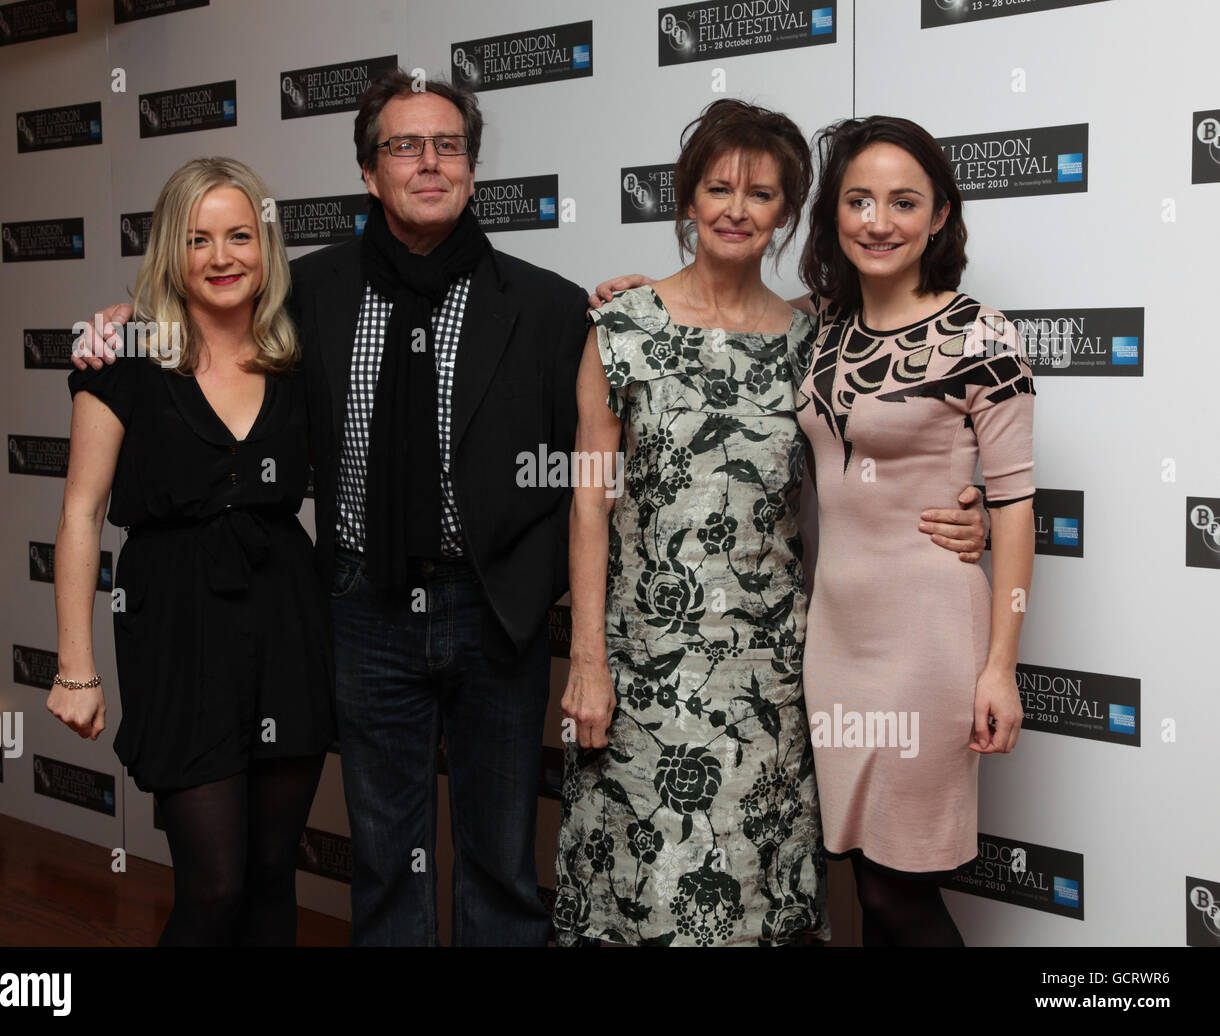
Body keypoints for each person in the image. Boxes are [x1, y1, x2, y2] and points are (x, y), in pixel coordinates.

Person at [75, 69, 588, 946]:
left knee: (502, 858)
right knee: (386, 858)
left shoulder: (550, 307)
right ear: (367, 170)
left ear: (472, 166)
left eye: (448, 145)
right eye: (403, 146)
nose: (428, 162)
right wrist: (127, 319)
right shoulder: (305, 295)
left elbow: (585, 475)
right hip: (359, 610)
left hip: (494, 614)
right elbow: (209, 315)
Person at [558, 100, 987, 947]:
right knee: (648, 890)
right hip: (644, 665)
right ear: (686, 200)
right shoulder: (622, 329)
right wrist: (586, 662)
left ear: (789, 211)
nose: (735, 209)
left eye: (760, 195)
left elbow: (902, 437)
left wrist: (965, 514)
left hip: (773, 671)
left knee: (756, 893)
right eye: (717, 188)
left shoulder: (810, 339)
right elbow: (588, 499)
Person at [51, 157, 335, 945]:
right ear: (170, 252)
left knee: (274, 877)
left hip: (285, 631)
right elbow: (80, 516)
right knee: (213, 886)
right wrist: (76, 666)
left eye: (240, 236)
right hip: (178, 637)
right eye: (198, 239)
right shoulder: (123, 361)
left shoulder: (297, 356)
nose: (221, 258)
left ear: (265, 246)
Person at [794, 116, 1035, 946]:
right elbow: (722, 313)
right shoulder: (817, 326)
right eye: (858, 200)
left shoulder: (983, 337)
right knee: (864, 878)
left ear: (938, 218)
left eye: (903, 202)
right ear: (834, 215)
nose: (877, 220)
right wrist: (640, 291)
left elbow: (1010, 507)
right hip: (834, 638)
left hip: (928, 637)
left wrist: (1000, 666)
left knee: (901, 890)